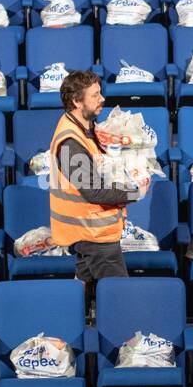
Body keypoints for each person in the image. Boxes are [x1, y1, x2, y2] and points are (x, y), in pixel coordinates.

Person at [47, 70, 148, 299]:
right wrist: (134, 192)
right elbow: (93, 191)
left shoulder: (87, 129)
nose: (102, 99)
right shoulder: (70, 142)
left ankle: (71, 327)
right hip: (94, 234)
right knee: (119, 298)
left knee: (80, 293)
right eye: (95, 95)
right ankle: (124, 334)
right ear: (76, 100)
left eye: (100, 93)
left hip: (92, 230)